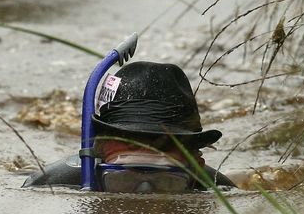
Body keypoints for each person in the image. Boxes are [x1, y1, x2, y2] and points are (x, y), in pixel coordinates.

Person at [22, 60, 233, 192]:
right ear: (99, 147)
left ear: (195, 161)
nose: (143, 194)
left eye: (167, 183)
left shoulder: (216, 189)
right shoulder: (49, 184)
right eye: (121, 179)